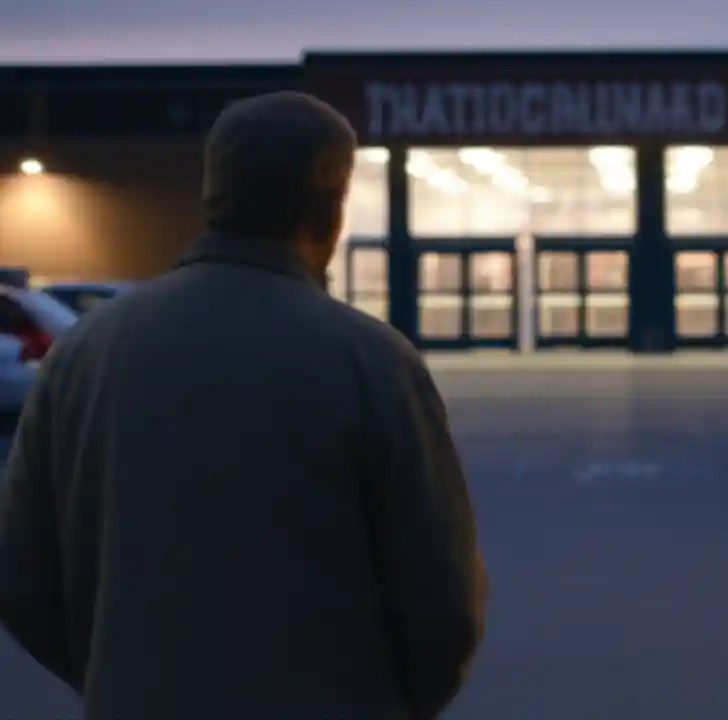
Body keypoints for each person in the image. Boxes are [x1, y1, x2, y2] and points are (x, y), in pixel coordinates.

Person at [0, 92, 487, 719]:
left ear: (212, 193)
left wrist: (124, 677)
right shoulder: (370, 361)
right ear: (332, 207)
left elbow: (21, 576)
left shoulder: (82, 355)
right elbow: (443, 602)